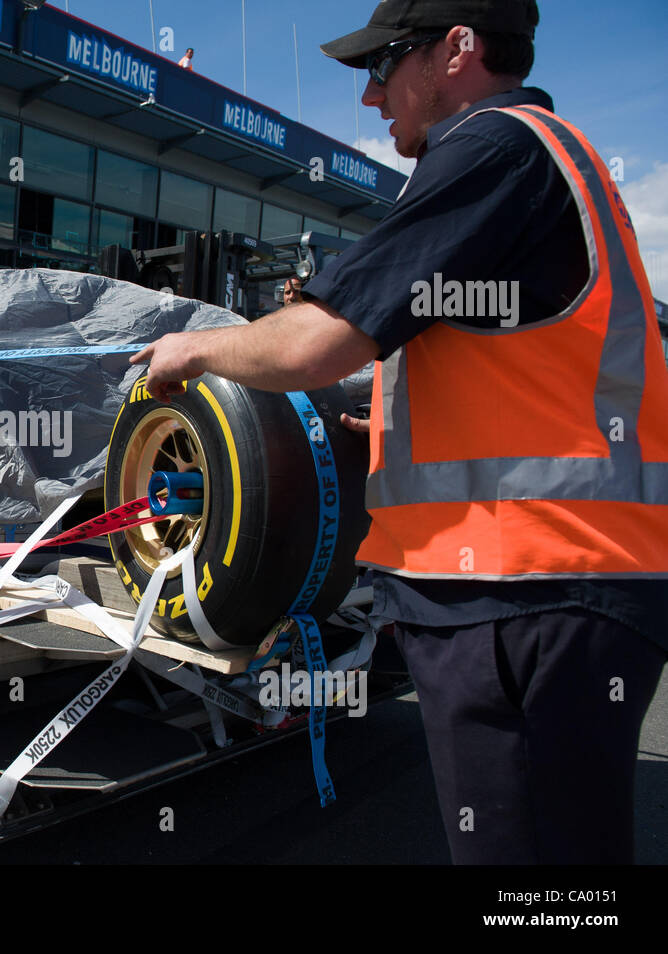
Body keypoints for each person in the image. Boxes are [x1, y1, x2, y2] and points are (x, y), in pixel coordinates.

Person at [131, 0, 668, 864]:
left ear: (457, 50)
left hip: (522, 588)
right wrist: (386, 424)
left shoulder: (494, 147)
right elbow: (519, 364)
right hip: (569, 582)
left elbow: (317, 341)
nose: (372, 100)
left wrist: (195, 350)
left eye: (383, 67)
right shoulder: (559, 160)